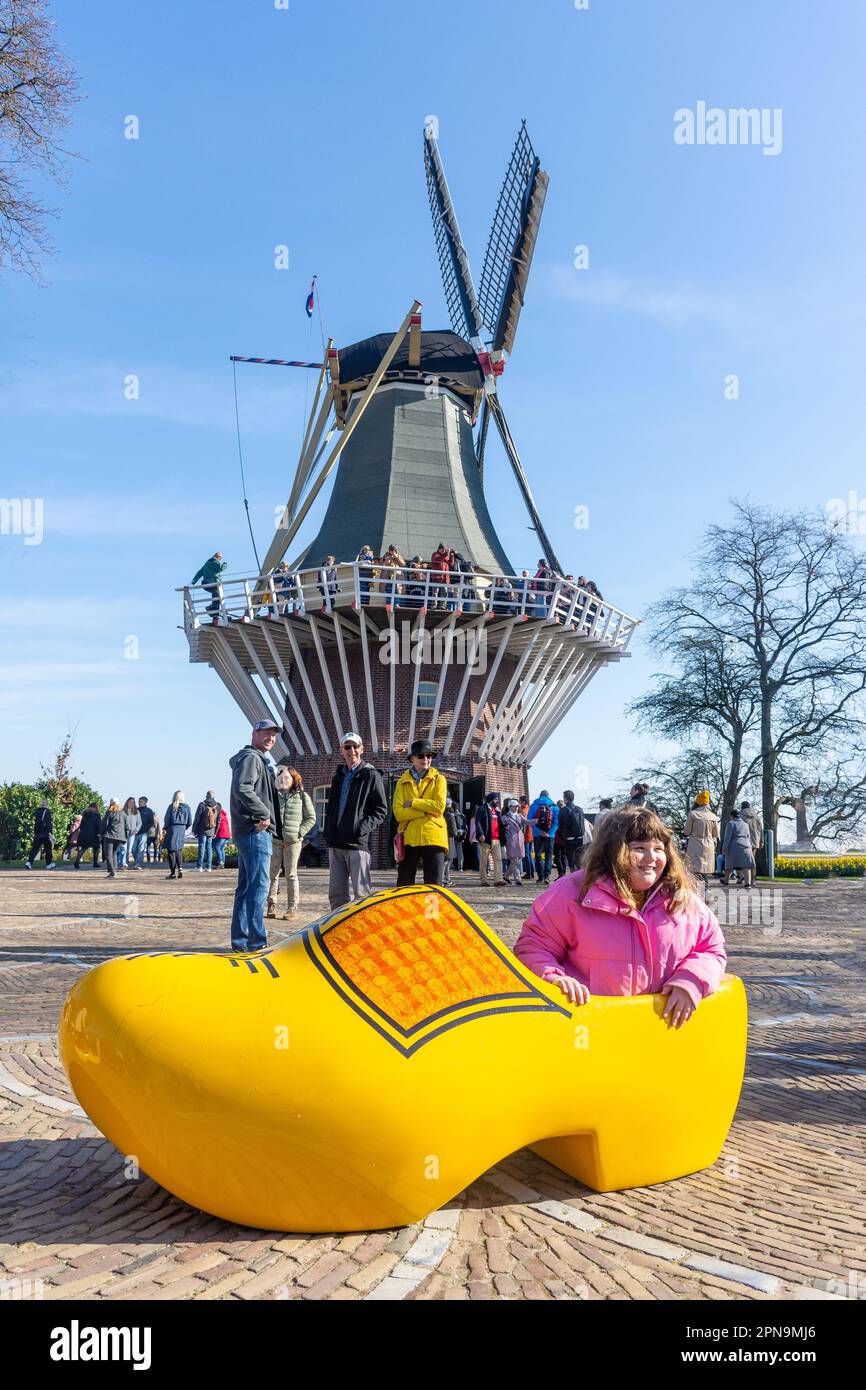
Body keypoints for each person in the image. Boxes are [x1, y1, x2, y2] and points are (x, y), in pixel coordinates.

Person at [514, 804, 727, 1027]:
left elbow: (711, 948)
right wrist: (553, 978)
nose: (651, 857)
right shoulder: (571, 893)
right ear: (613, 851)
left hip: (658, 1033)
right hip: (590, 1028)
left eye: (658, 848)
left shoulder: (683, 900)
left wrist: (691, 980)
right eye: (639, 848)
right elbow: (534, 946)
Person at [228, 720, 282, 949]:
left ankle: (241, 941)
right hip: (256, 831)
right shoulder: (252, 758)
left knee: (246, 888)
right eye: (266, 733)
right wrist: (264, 813)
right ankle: (256, 942)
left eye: (273, 734)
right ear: (254, 734)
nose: (270, 738)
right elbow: (243, 788)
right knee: (259, 887)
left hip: (247, 831)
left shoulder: (254, 759)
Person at [322, 732, 387, 910]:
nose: (352, 750)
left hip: (357, 843)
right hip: (336, 843)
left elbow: (381, 810)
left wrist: (360, 829)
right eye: (347, 747)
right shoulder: (339, 776)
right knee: (336, 894)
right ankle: (338, 931)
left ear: (362, 749)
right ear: (341, 751)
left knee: (362, 895)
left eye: (355, 746)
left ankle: (362, 932)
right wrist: (329, 831)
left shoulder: (371, 775)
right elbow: (332, 807)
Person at [392, 741, 448, 886]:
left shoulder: (439, 779)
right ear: (412, 759)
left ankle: (432, 910)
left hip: (433, 836)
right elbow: (398, 813)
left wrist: (413, 802)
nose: (426, 759)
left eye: (429, 756)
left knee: (433, 885)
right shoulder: (402, 782)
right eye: (421, 756)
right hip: (409, 836)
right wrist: (424, 812)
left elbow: (439, 807)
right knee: (404, 884)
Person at [267, 764, 316, 920]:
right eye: (280, 777)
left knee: (291, 874)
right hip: (276, 840)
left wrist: (299, 833)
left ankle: (291, 907)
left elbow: (311, 817)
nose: (283, 780)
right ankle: (271, 903)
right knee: (273, 874)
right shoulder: (273, 796)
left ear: (294, 779)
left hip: (292, 842)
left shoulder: (302, 796)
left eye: (286, 777)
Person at [683, 791, 720, 891]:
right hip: (709, 844)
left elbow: (686, 831)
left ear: (697, 802)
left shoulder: (693, 814)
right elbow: (716, 834)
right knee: (705, 870)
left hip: (695, 842)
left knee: (693, 868)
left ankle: (692, 889)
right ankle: (706, 889)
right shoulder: (713, 816)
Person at [527, 789, 558, 884]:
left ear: (539, 795)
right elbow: (557, 822)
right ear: (548, 796)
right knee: (549, 854)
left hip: (537, 835)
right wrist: (550, 832)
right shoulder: (555, 807)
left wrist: (538, 831)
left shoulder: (533, 805)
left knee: (538, 854)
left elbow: (530, 820)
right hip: (550, 835)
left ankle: (540, 877)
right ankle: (547, 876)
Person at [475, 791, 504, 887]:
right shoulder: (482, 809)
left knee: (498, 859)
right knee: (484, 861)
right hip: (486, 839)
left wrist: (504, 824)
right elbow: (478, 822)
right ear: (491, 800)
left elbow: (500, 824)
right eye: (496, 799)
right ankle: (483, 881)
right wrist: (480, 834)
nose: (497, 801)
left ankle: (498, 880)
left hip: (496, 839)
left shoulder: (497, 810)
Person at [721, 809, 756, 889]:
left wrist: (724, 848)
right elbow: (748, 836)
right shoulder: (745, 824)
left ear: (732, 816)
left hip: (734, 845)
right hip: (746, 846)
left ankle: (726, 881)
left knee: (729, 864)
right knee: (746, 865)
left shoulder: (730, 823)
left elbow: (727, 837)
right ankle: (748, 884)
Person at [163, 791, 192, 880]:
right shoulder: (187, 807)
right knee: (179, 849)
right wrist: (184, 828)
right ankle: (180, 868)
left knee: (171, 850)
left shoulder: (171, 806)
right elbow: (190, 821)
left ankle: (172, 873)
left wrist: (165, 828)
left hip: (172, 828)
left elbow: (167, 819)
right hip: (182, 828)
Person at [192, 551, 227, 619]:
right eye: (220, 558)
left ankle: (214, 612)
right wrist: (225, 564)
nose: (220, 560)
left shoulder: (207, 563)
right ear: (218, 557)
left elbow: (199, 572)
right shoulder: (215, 561)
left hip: (206, 584)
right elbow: (221, 568)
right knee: (217, 596)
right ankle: (213, 611)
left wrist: (193, 582)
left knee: (217, 596)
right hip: (213, 584)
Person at [192, 790, 221, 872]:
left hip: (202, 830)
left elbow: (197, 818)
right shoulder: (218, 806)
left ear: (207, 796)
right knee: (209, 848)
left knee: (201, 847)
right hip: (212, 830)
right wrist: (215, 832)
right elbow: (219, 820)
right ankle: (208, 867)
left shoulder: (202, 804)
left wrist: (194, 829)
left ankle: (199, 866)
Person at [558, 790, 586, 874]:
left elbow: (560, 825)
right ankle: (581, 875)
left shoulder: (563, 810)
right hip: (579, 837)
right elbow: (582, 823)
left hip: (568, 837)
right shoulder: (579, 809)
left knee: (570, 859)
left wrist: (563, 835)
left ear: (566, 799)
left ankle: (573, 876)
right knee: (579, 857)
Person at [502, 799, 527, 886]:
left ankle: (506, 876)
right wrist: (505, 827)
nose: (516, 808)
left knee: (517, 860)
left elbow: (527, 822)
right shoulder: (505, 817)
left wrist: (536, 821)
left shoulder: (519, 816)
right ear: (510, 807)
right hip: (511, 841)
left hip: (519, 840)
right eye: (515, 806)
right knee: (513, 861)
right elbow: (502, 826)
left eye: (517, 806)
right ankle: (518, 879)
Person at [25, 800, 55, 869]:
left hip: (37, 833)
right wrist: (50, 832)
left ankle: (29, 862)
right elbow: (48, 823)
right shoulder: (47, 811)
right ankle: (49, 864)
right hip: (45, 833)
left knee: (35, 849)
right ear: (47, 804)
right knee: (48, 849)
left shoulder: (37, 812)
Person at [101, 800, 127, 879]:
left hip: (110, 836)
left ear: (111, 804)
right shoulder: (123, 813)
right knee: (114, 854)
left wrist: (102, 833)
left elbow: (104, 824)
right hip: (120, 837)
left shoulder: (109, 812)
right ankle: (113, 871)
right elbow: (127, 825)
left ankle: (113, 872)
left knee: (108, 855)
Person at [74, 803, 102, 868]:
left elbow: (81, 825)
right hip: (93, 834)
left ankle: (76, 862)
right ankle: (95, 863)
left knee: (83, 848)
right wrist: (100, 833)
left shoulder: (85, 814)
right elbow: (98, 825)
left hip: (84, 833)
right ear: (96, 808)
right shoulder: (97, 814)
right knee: (96, 848)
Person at [118, 797, 140, 869]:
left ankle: (125, 862)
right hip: (123, 833)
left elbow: (140, 823)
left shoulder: (137, 812)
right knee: (123, 849)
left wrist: (136, 830)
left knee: (129, 850)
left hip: (132, 833)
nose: (131, 803)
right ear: (127, 802)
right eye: (130, 802)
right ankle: (123, 864)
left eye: (133, 802)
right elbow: (119, 822)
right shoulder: (122, 811)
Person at [133, 797, 155, 868]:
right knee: (133, 849)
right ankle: (137, 861)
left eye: (141, 801)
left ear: (145, 802)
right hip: (134, 833)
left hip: (144, 833)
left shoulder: (149, 811)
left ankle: (138, 864)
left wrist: (147, 829)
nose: (139, 802)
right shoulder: (135, 810)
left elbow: (152, 822)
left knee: (141, 849)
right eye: (139, 801)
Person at [519, 795, 535, 879]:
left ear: (523, 802)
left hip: (526, 835)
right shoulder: (529, 808)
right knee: (529, 854)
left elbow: (524, 823)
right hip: (531, 834)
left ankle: (529, 873)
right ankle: (531, 872)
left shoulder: (523, 810)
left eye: (520, 801)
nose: (519, 803)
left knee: (527, 854)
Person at [443, 797, 457, 887]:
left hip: (441, 838)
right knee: (447, 861)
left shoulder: (440, 814)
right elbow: (453, 830)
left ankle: (447, 879)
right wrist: (456, 833)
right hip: (449, 839)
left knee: (444, 861)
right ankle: (445, 879)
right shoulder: (450, 816)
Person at [451, 800, 467, 873]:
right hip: (461, 835)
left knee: (451, 851)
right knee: (460, 852)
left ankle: (450, 866)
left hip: (453, 835)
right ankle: (460, 867)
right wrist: (464, 836)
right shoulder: (463, 815)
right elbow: (466, 827)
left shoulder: (452, 815)